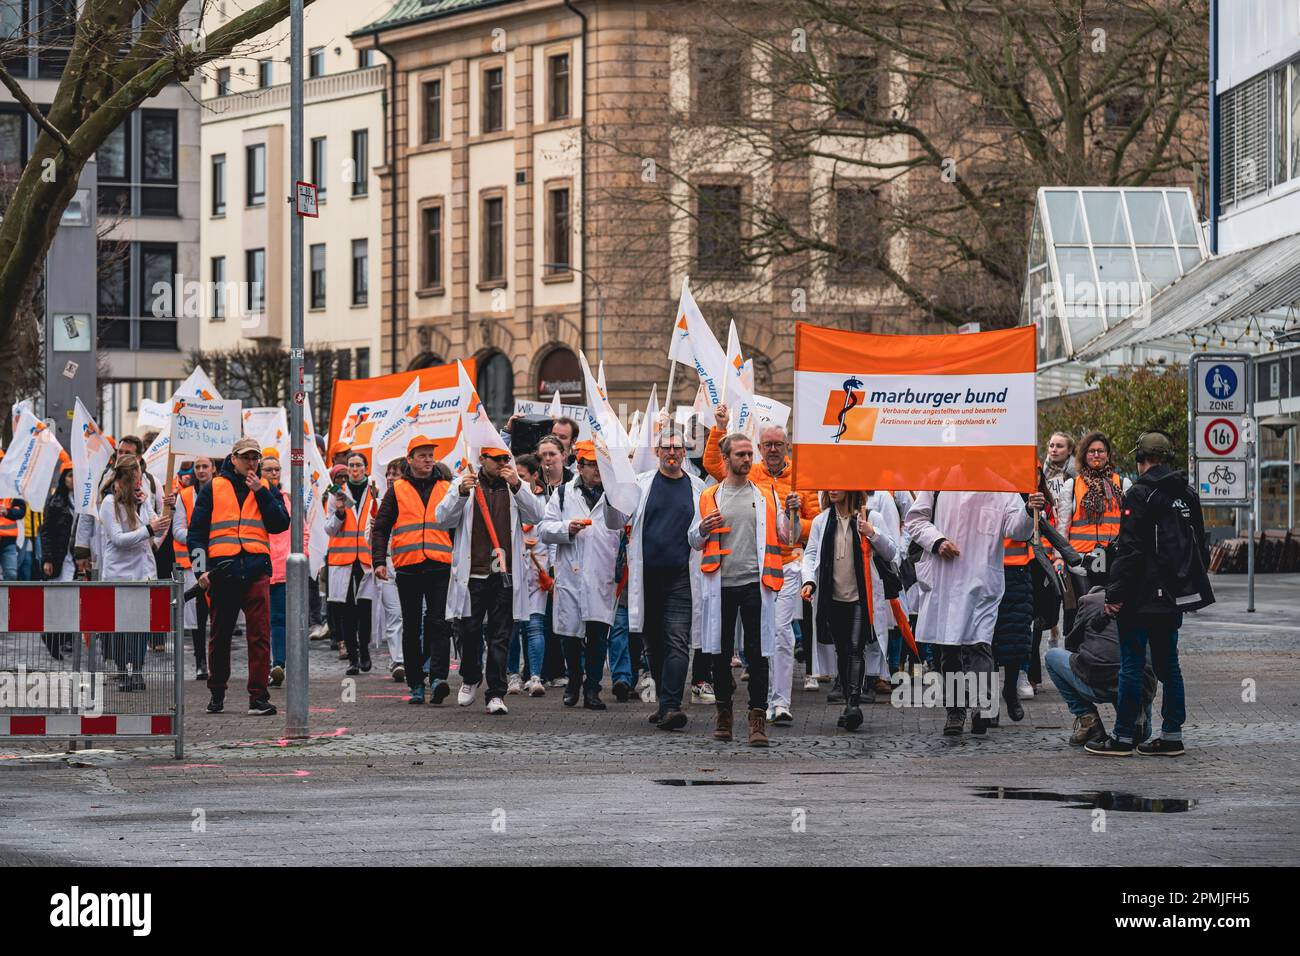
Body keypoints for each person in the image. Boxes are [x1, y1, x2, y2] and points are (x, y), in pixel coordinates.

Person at [1087, 432, 1211, 757]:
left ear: (1142, 459)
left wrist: (1114, 594)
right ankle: (1172, 735)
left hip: (1139, 598)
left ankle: (1123, 736)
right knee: (1169, 665)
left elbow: (1129, 550)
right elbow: (1201, 545)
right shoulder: (1187, 494)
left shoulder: (1139, 493)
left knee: (1131, 664)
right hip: (1172, 598)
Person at [702, 406, 819, 717]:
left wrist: (791, 516)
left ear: (786, 447)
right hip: (754, 568)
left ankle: (779, 702)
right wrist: (720, 426)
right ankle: (760, 700)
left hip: (787, 564)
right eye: (766, 445)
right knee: (758, 638)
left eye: (777, 445)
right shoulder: (750, 473)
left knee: (780, 633)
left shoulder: (801, 477)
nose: (771, 450)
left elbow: (814, 525)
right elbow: (714, 462)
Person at [688, 433, 798, 748]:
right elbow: (693, 538)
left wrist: (791, 512)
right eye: (741, 454)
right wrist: (702, 530)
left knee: (758, 652)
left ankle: (757, 717)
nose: (748, 460)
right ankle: (724, 713)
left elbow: (787, 537)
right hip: (720, 583)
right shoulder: (710, 495)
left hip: (756, 582)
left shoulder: (766, 495)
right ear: (726, 458)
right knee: (719, 653)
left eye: (750, 454)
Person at [905, 488, 1042, 736]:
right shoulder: (939, 482)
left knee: (980, 644)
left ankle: (981, 706)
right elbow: (915, 520)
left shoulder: (1000, 486)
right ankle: (956, 711)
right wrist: (937, 541)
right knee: (949, 648)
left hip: (982, 579)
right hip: (947, 577)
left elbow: (1016, 530)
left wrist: (1029, 509)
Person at [606, 427, 706, 730]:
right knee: (654, 644)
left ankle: (672, 705)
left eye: (678, 448)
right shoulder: (640, 484)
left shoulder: (698, 488)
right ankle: (665, 702)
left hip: (681, 578)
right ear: (657, 451)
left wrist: (704, 531)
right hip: (646, 579)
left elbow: (699, 538)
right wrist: (613, 497)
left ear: (685, 452)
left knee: (677, 641)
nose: (672, 453)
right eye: (666, 448)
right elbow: (614, 522)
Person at [435, 442, 545, 715]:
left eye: (504, 458)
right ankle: (471, 676)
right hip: (473, 573)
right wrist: (460, 493)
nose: (500, 464)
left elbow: (538, 514)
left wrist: (519, 486)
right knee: (468, 631)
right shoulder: (465, 483)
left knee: (500, 634)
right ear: (482, 458)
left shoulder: (514, 484)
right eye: (495, 459)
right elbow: (442, 519)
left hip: (504, 574)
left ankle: (495, 692)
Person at [188, 436, 291, 716]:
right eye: (246, 457)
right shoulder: (213, 488)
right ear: (233, 459)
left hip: (256, 569)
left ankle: (258, 697)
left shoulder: (267, 488)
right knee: (220, 636)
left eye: (255, 457)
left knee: (260, 635)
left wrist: (261, 492)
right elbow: (196, 533)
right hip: (223, 572)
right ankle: (217, 691)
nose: (252, 462)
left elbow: (281, 523)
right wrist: (200, 570)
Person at [800, 491, 897, 732]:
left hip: (860, 598)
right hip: (831, 597)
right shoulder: (822, 521)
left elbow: (892, 552)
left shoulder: (870, 516)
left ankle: (854, 703)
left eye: (838, 484)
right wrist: (809, 580)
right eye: (828, 486)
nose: (832, 490)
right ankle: (847, 701)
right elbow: (811, 554)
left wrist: (871, 533)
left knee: (855, 649)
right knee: (842, 651)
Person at [371, 437, 456, 704]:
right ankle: (416, 682)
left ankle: (438, 677)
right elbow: (381, 527)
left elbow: (457, 525)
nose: (429, 459)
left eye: (431, 455)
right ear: (410, 459)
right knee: (411, 626)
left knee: (439, 623)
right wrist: (379, 562)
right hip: (408, 565)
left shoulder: (447, 486)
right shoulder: (397, 489)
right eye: (423, 455)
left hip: (440, 564)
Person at [540, 441, 622, 710]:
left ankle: (593, 688)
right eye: (592, 465)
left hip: (602, 575)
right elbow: (544, 529)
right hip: (572, 575)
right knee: (571, 636)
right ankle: (574, 679)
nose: (597, 470)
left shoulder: (614, 495)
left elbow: (624, 526)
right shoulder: (563, 494)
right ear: (580, 466)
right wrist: (567, 528)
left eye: (601, 465)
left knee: (599, 635)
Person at [1046, 588, 1155, 747]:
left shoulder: (1089, 601)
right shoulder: (1146, 600)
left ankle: (1088, 720)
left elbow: (1071, 644)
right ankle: (1137, 718)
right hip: (1139, 685)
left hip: (1098, 680)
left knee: (1052, 657)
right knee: (1144, 664)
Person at [98, 455, 169, 691]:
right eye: (138, 475)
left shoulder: (141, 499)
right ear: (130, 477)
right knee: (120, 626)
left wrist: (157, 507)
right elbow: (118, 539)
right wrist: (149, 529)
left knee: (140, 625)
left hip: (142, 571)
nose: (141, 480)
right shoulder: (109, 503)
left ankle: (137, 670)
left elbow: (156, 527)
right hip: (119, 573)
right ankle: (122, 670)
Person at [1064, 431, 1130, 630]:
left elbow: (1130, 525)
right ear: (1084, 455)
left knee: (1113, 613)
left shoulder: (1122, 484)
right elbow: (1062, 526)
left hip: (1113, 561)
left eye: (1101, 451)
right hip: (1080, 563)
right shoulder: (1072, 485)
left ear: (1108, 455)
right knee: (1082, 613)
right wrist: (1060, 557)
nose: (1096, 455)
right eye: (1091, 451)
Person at [325, 452, 378, 675]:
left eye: (358, 465)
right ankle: (353, 659)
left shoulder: (374, 492)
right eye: (351, 465)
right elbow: (329, 529)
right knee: (346, 611)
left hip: (365, 559)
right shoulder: (337, 494)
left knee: (365, 609)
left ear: (366, 468)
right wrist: (338, 512)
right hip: (343, 560)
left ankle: (364, 650)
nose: (354, 469)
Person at [507, 453, 550, 696]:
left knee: (535, 626)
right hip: (514, 571)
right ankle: (513, 676)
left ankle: (535, 677)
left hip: (536, 572)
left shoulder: (546, 500)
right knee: (512, 627)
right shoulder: (509, 498)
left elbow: (551, 533)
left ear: (535, 476)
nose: (518, 481)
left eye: (522, 477)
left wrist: (551, 567)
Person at [261, 449, 302, 688]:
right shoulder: (254, 497)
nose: (274, 473)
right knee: (260, 622)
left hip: (283, 568)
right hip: (260, 567)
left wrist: (300, 558)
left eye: (277, 469)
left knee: (278, 618)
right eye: (269, 470)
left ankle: (279, 664)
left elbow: (302, 530)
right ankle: (264, 665)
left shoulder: (287, 498)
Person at [172, 455, 214, 680]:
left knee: (218, 609)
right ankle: (201, 661)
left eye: (204, 466)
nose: (200, 470)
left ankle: (215, 659)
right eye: (197, 467)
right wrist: (197, 537)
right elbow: (177, 529)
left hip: (217, 555)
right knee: (199, 611)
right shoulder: (185, 495)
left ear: (213, 469)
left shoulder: (221, 492)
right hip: (195, 558)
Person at [373, 457, 409, 685]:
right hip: (387, 563)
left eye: (394, 474)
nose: (389, 478)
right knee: (394, 614)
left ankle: (411, 658)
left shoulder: (409, 500)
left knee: (410, 616)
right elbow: (374, 535)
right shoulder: (377, 502)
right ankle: (398, 660)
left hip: (407, 562)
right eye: (388, 474)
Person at [40, 466, 76, 582]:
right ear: (63, 478)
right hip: (59, 556)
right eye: (70, 475)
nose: (74, 479)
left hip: (75, 556)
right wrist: (47, 559)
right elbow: (46, 531)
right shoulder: (54, 502)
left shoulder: (83, 502)